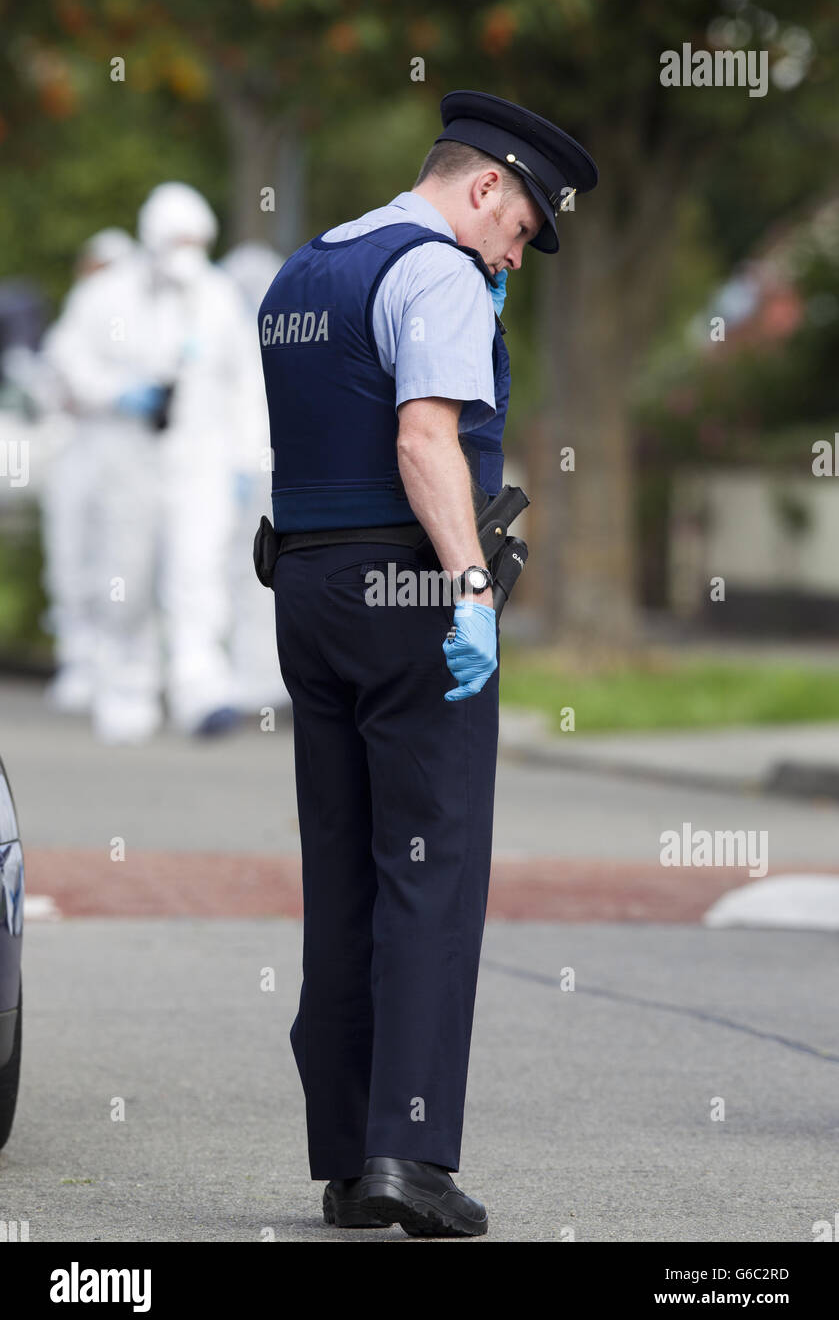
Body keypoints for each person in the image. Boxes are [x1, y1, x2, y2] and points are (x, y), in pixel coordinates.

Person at [258, 91, 597, 1236]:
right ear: (485, 183)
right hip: (408, 597)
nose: (516, 251)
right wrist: (463, 585)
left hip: (304, 592)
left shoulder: (304, 270)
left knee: (344, 871)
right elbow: (420, 437)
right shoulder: (437, 270)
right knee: (429, 868)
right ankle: (410, 1153)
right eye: (520, 227)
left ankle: (349, 1162)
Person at [43, 183, 254, 743]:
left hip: (199, 462)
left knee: (197, 574)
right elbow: (65, 357)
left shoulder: (218, 297)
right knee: (126, 578)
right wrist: (116, 392)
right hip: (127, 461)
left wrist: (242, 459)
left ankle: (200, 686)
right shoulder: (106, 295)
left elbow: (245, 386)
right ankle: (126, 688)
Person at [38, 229, 137, 713]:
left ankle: (108, 665)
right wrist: (109, 391)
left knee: (116, 561)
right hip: (75, 448)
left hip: (122, 454)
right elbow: (64, 366)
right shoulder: (83, 307)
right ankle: (76, 659)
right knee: (70, 559)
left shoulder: (133, 307)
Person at [217, 242, 292, 718]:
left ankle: (263, 677)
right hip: (229, 472)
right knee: (229, 575)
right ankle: (235, 674)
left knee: (257, 577)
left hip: (261, 472)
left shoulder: (276, 345)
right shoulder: (222, 339)